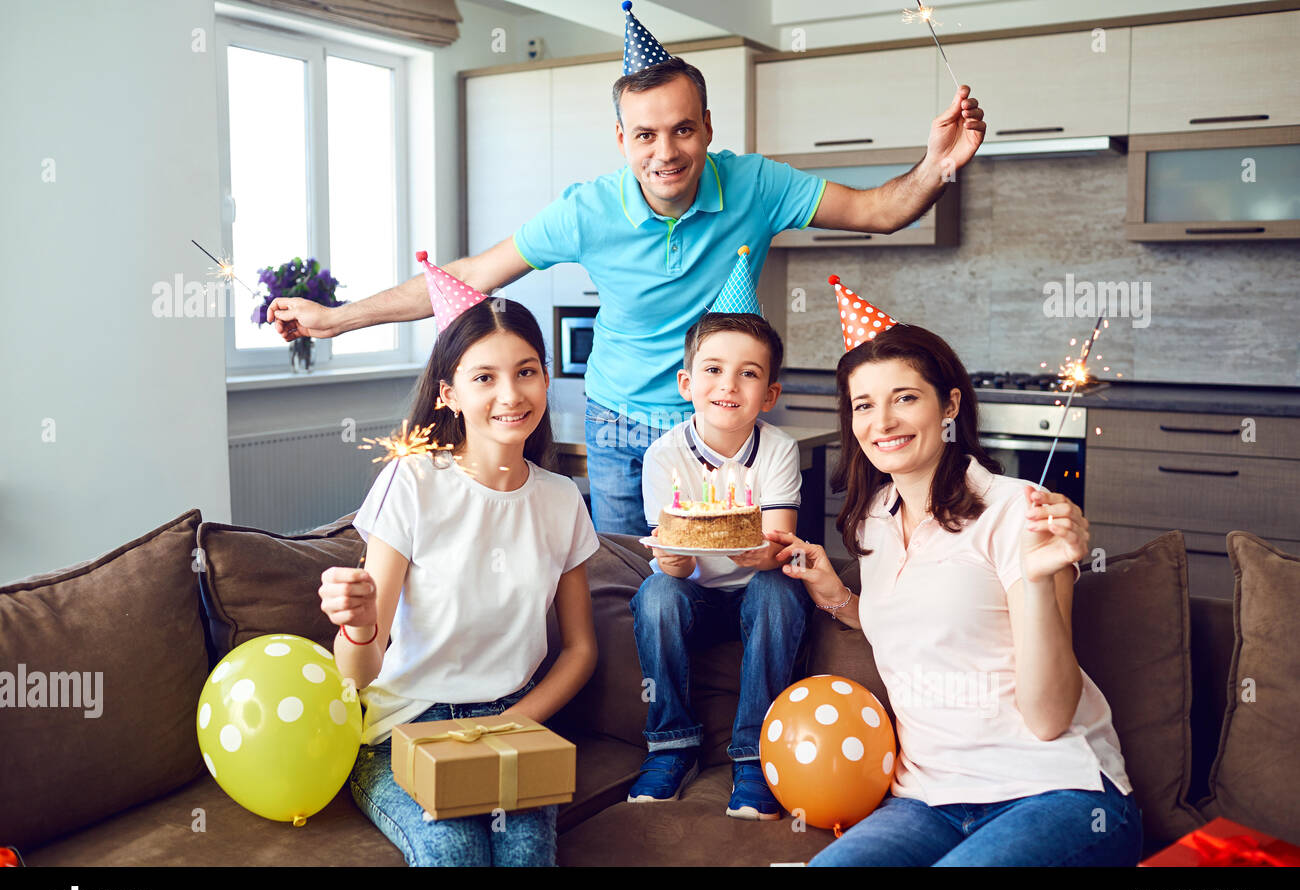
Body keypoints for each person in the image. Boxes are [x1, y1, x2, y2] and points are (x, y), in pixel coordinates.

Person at [266, 7, 987, 537]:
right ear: (622, 140)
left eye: (681, 129)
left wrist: (936, 166)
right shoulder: (586, 212)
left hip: (723, 423)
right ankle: (645, 727)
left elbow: (878, 210)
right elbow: (469, 276)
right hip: (618, 428)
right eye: (645, 134)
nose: (665, 151)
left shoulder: (757, 185)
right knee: (629, 576)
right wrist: (338, 316)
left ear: (707, 125)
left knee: (738, 575)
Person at [769, 312, 1143, 865]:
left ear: (949, 405)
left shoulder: (1019, 511)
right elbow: (919, 624)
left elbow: (1048, 717)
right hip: (926, 800)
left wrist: (1039, 581)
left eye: (905, 398)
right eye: (864, 405)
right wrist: (834, 594)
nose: (883, 421)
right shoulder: (875, 516)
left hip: (1054, 790)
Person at [318, 271, 599, 867]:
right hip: (406, 725)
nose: (510, 395)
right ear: (449, 394)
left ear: (546, 379)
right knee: (456, 853)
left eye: (526, 372)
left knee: (525, 858)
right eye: (484, 378)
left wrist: (507, 725)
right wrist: (360, 626)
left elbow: (579, 650)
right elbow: (358, 676)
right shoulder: (411, 482)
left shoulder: (561, 499)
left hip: (514, 717)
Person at [628, 309, 810, 820]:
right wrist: (673, 561)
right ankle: (671, 745)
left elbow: (777, 539)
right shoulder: (664, 457)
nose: (728, 384)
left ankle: (755, 753)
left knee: (780, 587)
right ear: (687, 382)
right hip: (695, 598)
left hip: (758, 592)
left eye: (748, 373)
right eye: (712, 369)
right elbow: (676, 565)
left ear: (770, 394)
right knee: (657, 593)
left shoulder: (778, 450)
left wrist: (766, 554)